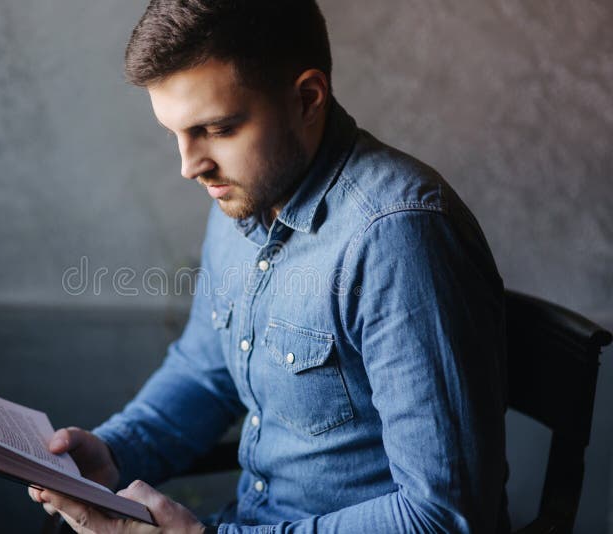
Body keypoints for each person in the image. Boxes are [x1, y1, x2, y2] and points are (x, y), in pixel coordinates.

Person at [29, 1, 510, 532]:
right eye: (175, 134)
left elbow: (445, 517)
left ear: (307, 98)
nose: (190, 167)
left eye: (218, 128)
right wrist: (115, 452)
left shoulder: (398, 237)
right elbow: (205, 371)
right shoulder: (243, 196)